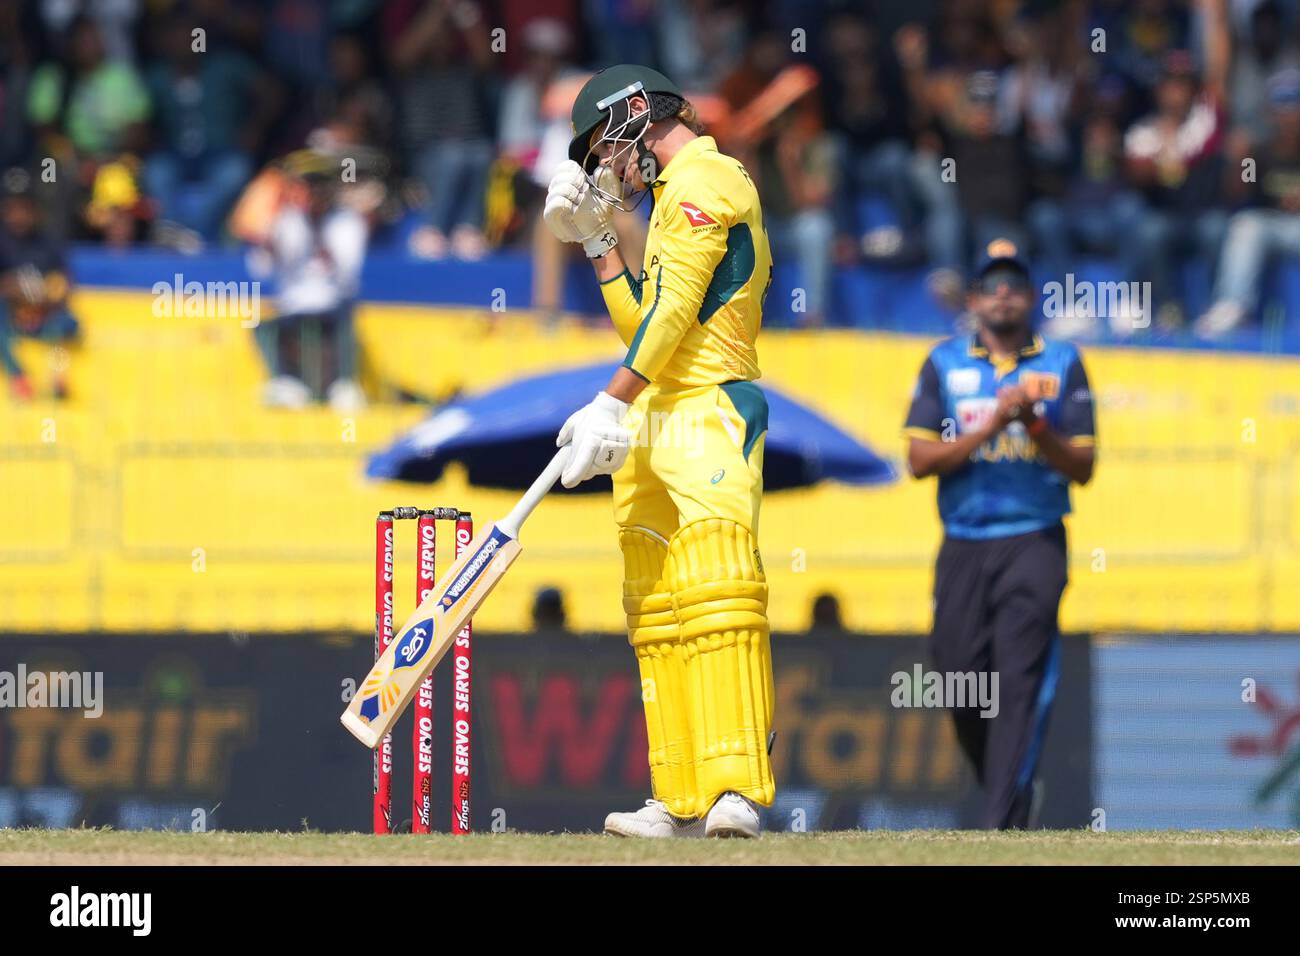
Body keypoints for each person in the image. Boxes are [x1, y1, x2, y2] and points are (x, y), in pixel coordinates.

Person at [542, 64, 775, 839]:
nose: (605, 169)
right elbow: (642, 317)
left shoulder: (708, 176)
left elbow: (674, 313)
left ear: (636, 116)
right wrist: (599, 241)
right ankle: (676, 797)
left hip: (711, 404)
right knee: (655, 608)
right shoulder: (670, 198)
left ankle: (736, 790)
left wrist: (612, 398)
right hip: (660, 412)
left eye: (603, 150)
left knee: (719, 594)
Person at [903, 240, 1096, 829]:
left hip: (1033, 537)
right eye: (992, 285)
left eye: (1014, 284)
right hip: (963, 539)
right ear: (974, 299)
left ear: (1031, 298)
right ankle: (1006, 790)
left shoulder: (1061, 363)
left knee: (1018, 677)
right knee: (955, 674)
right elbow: (918, 458)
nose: (1003, 294)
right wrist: (992, 426)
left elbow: (1083, 466)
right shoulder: (944, 363)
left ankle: (999, 825)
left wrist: (1033, 422)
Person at [0, 167, 79, 400]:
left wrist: (48, 294)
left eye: (25, 208)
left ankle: (57, 380)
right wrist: (14, 288)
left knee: (66, 324)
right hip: (11, 318)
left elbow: (64, 285)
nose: (19, 215)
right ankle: (19, 377)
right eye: (13, 208)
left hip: (45, 315)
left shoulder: (48, 241)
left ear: (35, 210)